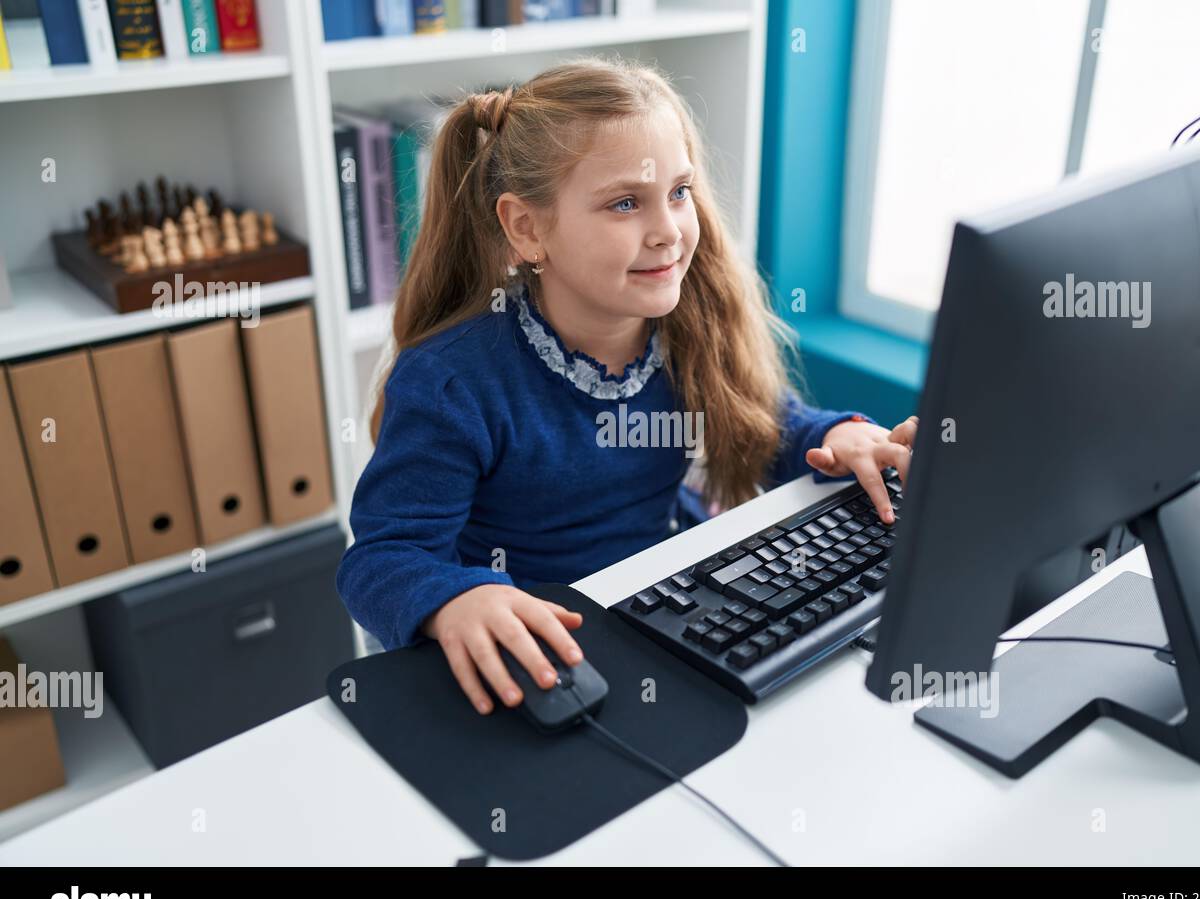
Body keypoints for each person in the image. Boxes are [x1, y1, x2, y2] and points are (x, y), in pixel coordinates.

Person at [336, 56, 918, 716]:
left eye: (679, 192)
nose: (669, 229)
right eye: (624, 203)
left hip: (669, 612)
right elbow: (382, 558)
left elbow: (765, 424)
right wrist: (453, 598)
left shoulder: (682, 327)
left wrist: (841, 436)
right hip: (549, 653)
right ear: (527, 228)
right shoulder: (453, 381)